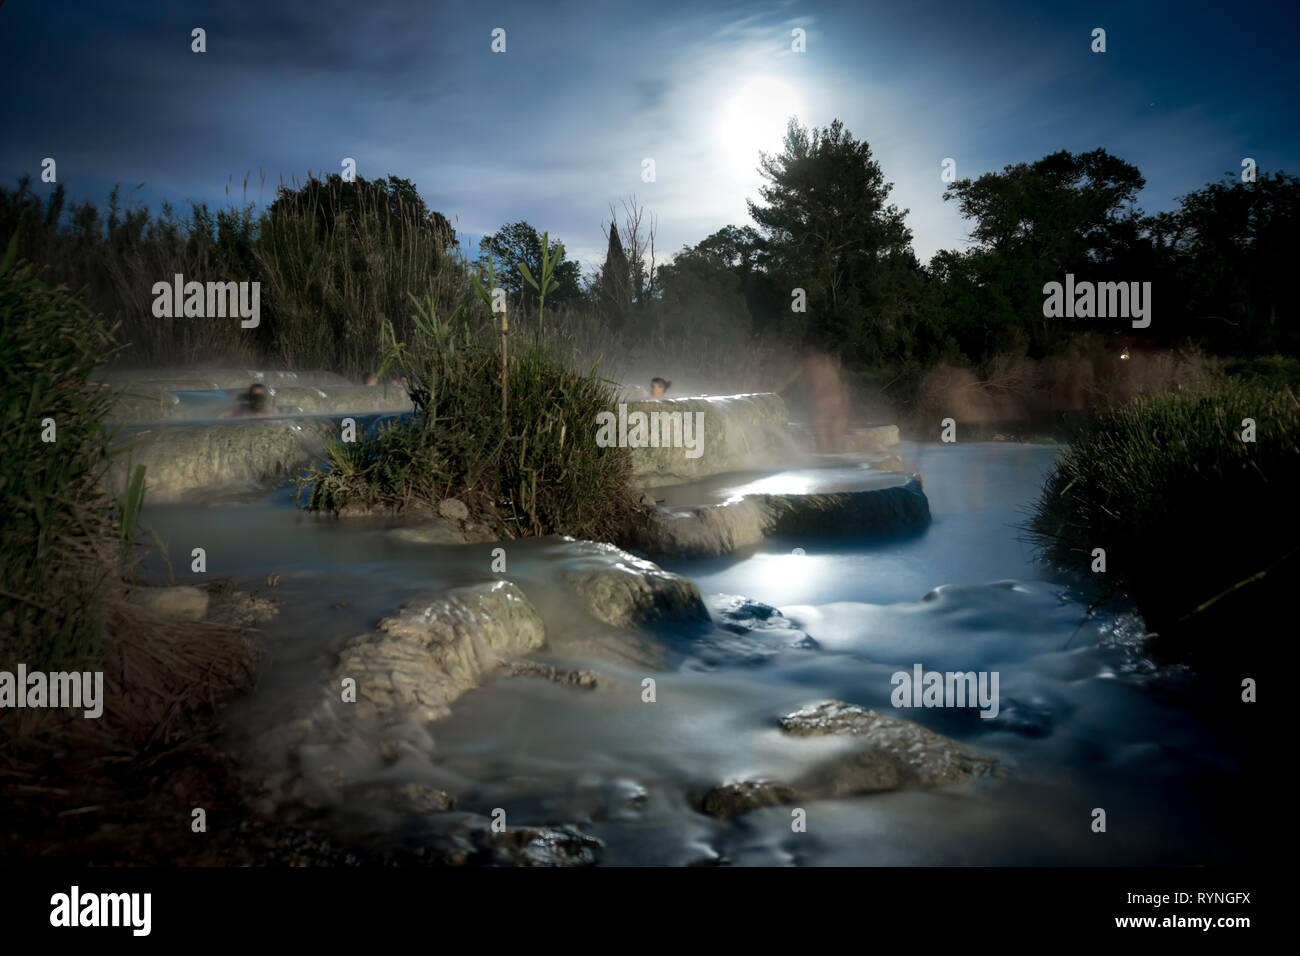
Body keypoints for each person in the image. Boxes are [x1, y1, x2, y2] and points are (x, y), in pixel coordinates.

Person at [774, 350, 849, 453]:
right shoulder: (831, 360)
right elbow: (844, 384)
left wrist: (772, 392)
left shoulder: (806, 362)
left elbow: (788, 381)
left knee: (822, 441)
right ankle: (842, 463)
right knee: (838, 439)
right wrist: (846, 405)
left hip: (821, 402)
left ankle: (826, 462)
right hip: (837, 400)